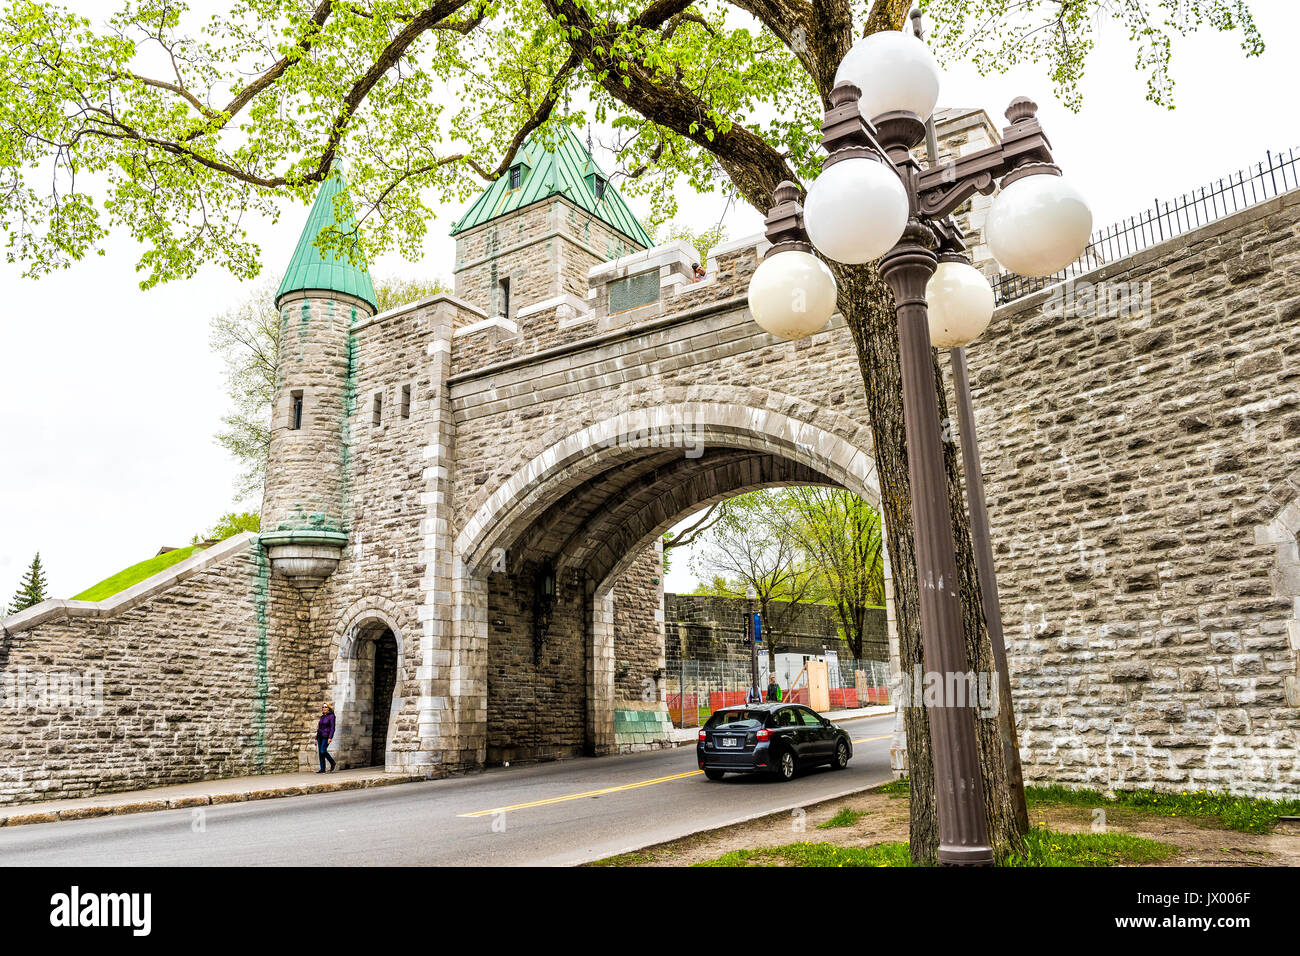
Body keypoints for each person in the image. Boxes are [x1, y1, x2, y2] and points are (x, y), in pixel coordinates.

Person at [315, 704, 336, 773]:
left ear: (329, 708)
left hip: (326, 736)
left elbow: (332, 728)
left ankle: (332, 762)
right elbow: (319, 728)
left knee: (323, 751)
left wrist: (330, 737)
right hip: (320, 736)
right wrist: (316, 738)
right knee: (320, 753)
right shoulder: (322, 716)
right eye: (323, 707)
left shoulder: (332, 716)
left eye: (326, 707)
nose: (324, 708)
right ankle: (322, 769)